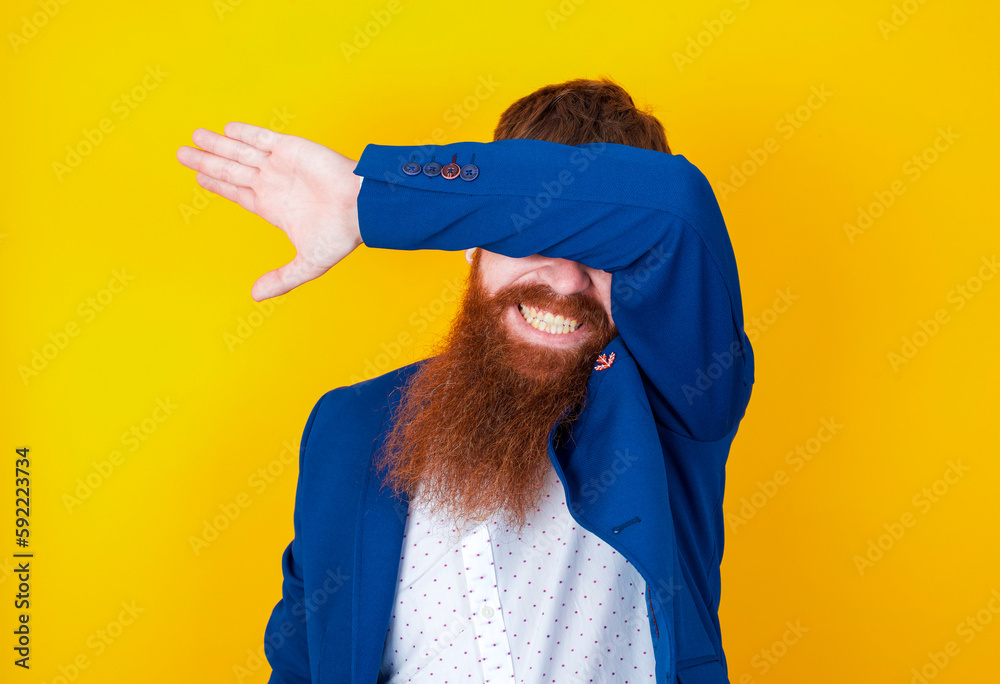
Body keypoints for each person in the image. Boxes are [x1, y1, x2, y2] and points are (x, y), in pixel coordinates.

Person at [176, 76, 754, 684]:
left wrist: (366, 201)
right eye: (531, 237)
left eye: (605, 252)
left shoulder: (675, 404)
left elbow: (675, 209)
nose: (566, 280)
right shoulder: (349, 427)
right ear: (473, 247)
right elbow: (304, 660)